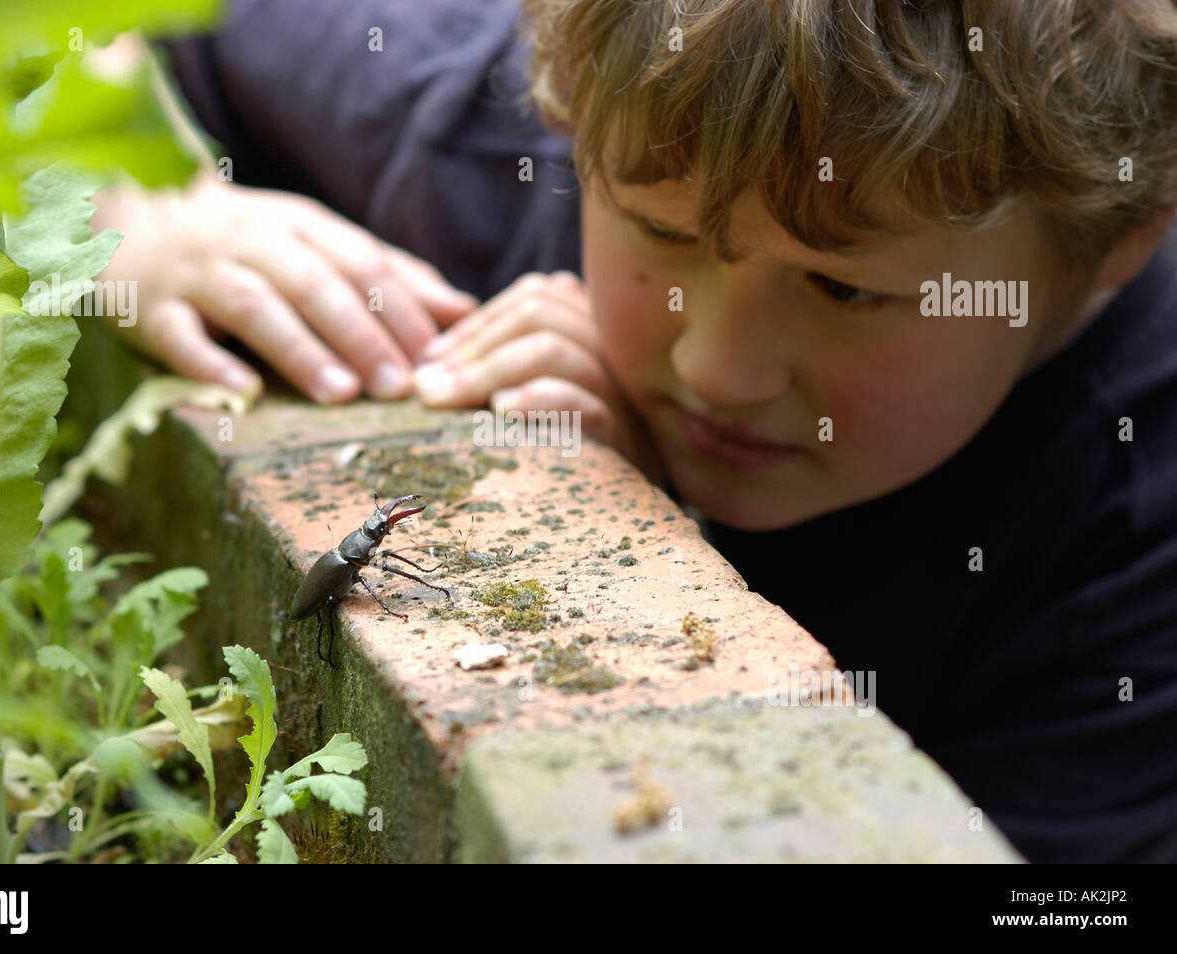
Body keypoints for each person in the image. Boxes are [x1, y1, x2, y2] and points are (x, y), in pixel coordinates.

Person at [91, 1, 1177, 862]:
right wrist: (142, 214)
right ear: (564, 110)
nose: (714, 366)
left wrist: (671, 522)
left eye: (843, 293)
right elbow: (77, 36)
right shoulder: (460, 119)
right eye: (659, 231)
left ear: (1119, 239)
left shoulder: (1138, 540)